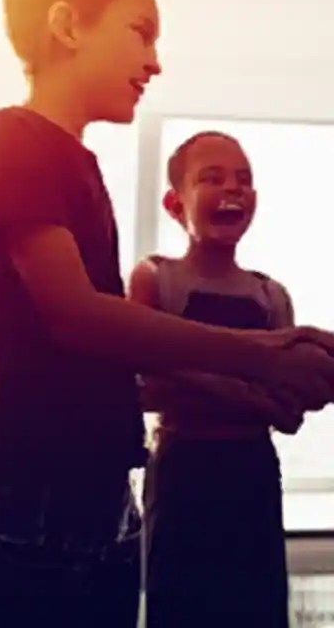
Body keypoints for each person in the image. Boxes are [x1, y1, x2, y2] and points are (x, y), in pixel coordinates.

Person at [0, 0, 334, 625]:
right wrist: (264, 357)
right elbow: (78, 315)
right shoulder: (14, 138)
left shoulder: (76, 162)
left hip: (95, 500)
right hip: (33, 505)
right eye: (141, 31)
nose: (155, 60)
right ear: (67, 25)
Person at [132, 132, 298, 627]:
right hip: (182, 473)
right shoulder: (155, 279)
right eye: (212, 177)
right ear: (174, 202)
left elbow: (288, 411)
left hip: (252, 475)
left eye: (244, 180)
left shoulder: (271, 295)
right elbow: (137, 386)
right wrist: (248, 383)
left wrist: (181, 370)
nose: (233, 188)